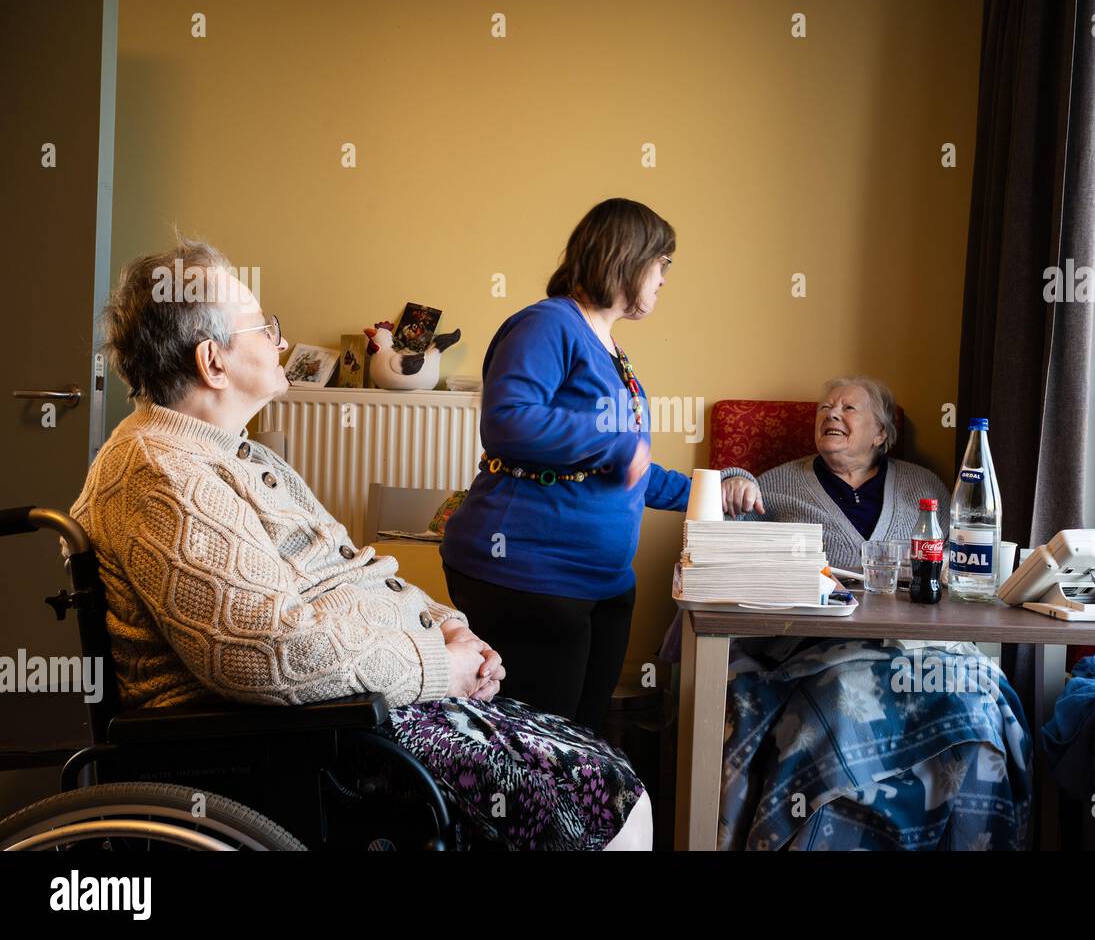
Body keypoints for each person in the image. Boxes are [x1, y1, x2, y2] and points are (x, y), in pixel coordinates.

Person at [73, 236, 651, 850]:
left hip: (356, 709)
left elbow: (356, 570)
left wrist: (448, 626)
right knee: (599, 800)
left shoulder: (242, 455)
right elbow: (268, 652)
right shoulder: (160, 471)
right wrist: (437, 666)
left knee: (601, 768)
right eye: (263, 326)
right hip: (287, 744)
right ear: (213, 363)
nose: (280, 340)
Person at [668, 376, 1033, 850]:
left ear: (882, 433)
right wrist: (733, 479)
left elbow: (955, 569)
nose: (831, 415)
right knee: (839, 704)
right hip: (818, 649)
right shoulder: (776, 484)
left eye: (848, 408)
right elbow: (722, 545)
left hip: (920, 647)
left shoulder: (925, 486)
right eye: (824, 408)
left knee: (977, 704)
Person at [439, 198, 749, 733]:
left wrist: (708, 491)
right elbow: (508, 421)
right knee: (541, 750)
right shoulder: (547, 324)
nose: (665, 278)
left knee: (582, 745)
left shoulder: (609, 347)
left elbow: (620, 470)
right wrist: (615, 444)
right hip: (530, 575)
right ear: (626, 257)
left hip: (600, 582)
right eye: (662, 261)